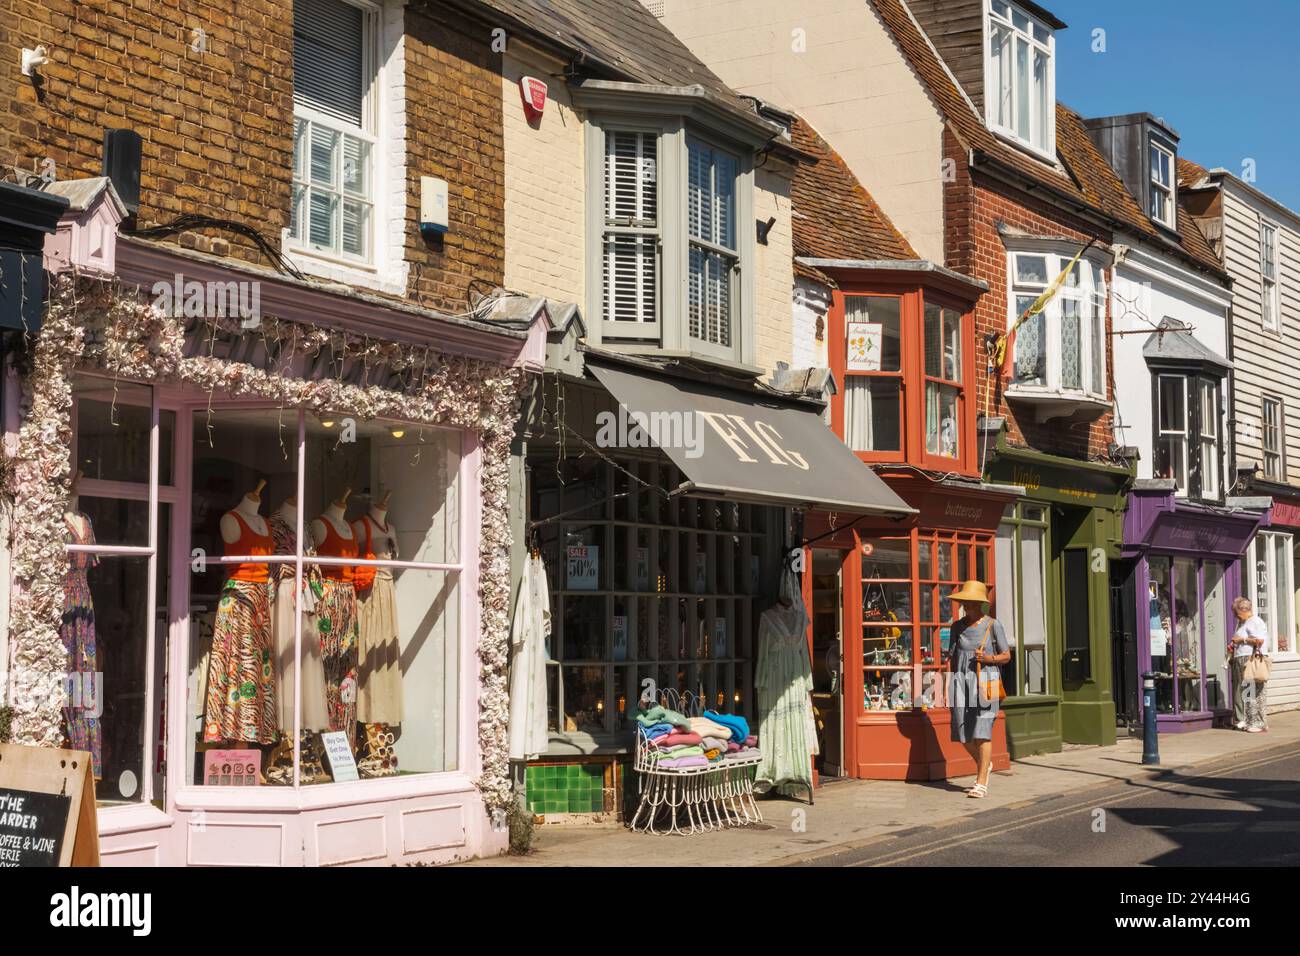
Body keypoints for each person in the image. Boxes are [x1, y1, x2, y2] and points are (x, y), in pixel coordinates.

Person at [947, 580, 1010, 798]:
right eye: (965, 603)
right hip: (962, 683)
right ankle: (985, 764)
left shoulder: (993, 625)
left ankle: (981, 781)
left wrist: (990, 658)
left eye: (971, 603)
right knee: (962, 733)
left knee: (982, 733)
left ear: (980, 604)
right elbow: (952, 658)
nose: (967, 606)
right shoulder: (957, 627)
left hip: (987, 684)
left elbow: (1007, 655)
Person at [1229, 597, 1271, 733]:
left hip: (1251, 660)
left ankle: (1257, 722)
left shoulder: (1255, 621)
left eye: (1236, 612)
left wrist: (1242, 639)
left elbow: (1259, 640)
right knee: (1248, 691)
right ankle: (1251, 721)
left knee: (1253, 691)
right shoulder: (1244, 622)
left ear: (1243, 610)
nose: (1235, 615)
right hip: (1244, 658)